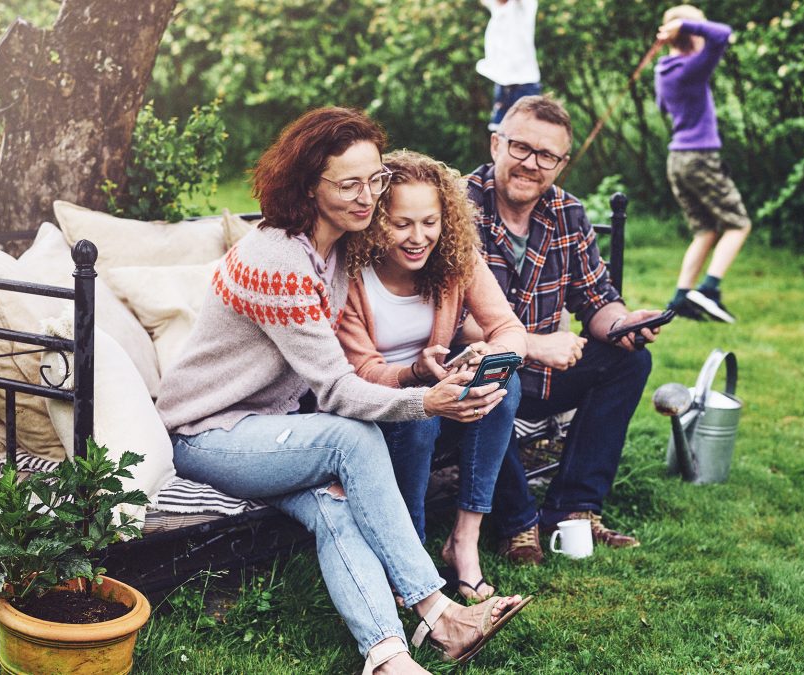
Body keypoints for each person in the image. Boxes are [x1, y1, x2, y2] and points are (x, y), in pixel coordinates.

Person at [155, 107, 531, 674]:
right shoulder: (278, 260)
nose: (367, 197)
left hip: (273, 431)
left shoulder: (336, 249)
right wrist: (427, 401)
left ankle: (388, 658)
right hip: (210, 435)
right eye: (349, 184)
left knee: (337, 510)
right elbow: (334, 390)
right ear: (309, 187)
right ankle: (437, 608)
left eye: (374, 179)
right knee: (350, 440)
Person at [464, 95, 662, 565]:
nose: (532, 164)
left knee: (630, 359)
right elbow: (446, 323)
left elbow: (594, 300)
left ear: (561, 163)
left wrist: (622, 324)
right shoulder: (455, 208)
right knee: (496, 373)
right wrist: (529, 346)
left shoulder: (567, 213)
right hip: (476, 374)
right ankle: (517, 524)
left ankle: (574, 509)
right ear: (496, 144)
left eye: (547, 155)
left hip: (549, 374)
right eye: (521, 148)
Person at [338, 149, 528, 602]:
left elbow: (509, 329)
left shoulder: (454, 259)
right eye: (401, 223)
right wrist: (412, 373)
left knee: (504, 381)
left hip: (434, 388)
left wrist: (485, 354)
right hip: (369, 406)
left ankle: (464, 540)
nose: (418, 237)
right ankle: (411, 555)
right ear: (376, 217)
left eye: (430, 222)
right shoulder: (348, 273)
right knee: (418, 418)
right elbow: (359, 370)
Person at [654, 4, 751, 324]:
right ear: (691, 34)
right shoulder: (691, 69)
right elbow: (722, 36)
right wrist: (689, 26)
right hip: (699, 156)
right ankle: (709, 290)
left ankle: (681, 297)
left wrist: (682, 29)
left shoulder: (664, 69)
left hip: (677, 159)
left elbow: (662, 106)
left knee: (705, 230)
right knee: (738, 224)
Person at [477, 0, 542, 131]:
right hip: (503, 84)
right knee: (500, 133)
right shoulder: (498, 6)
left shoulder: (525, 5)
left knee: (525, 133)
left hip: (525, 84)